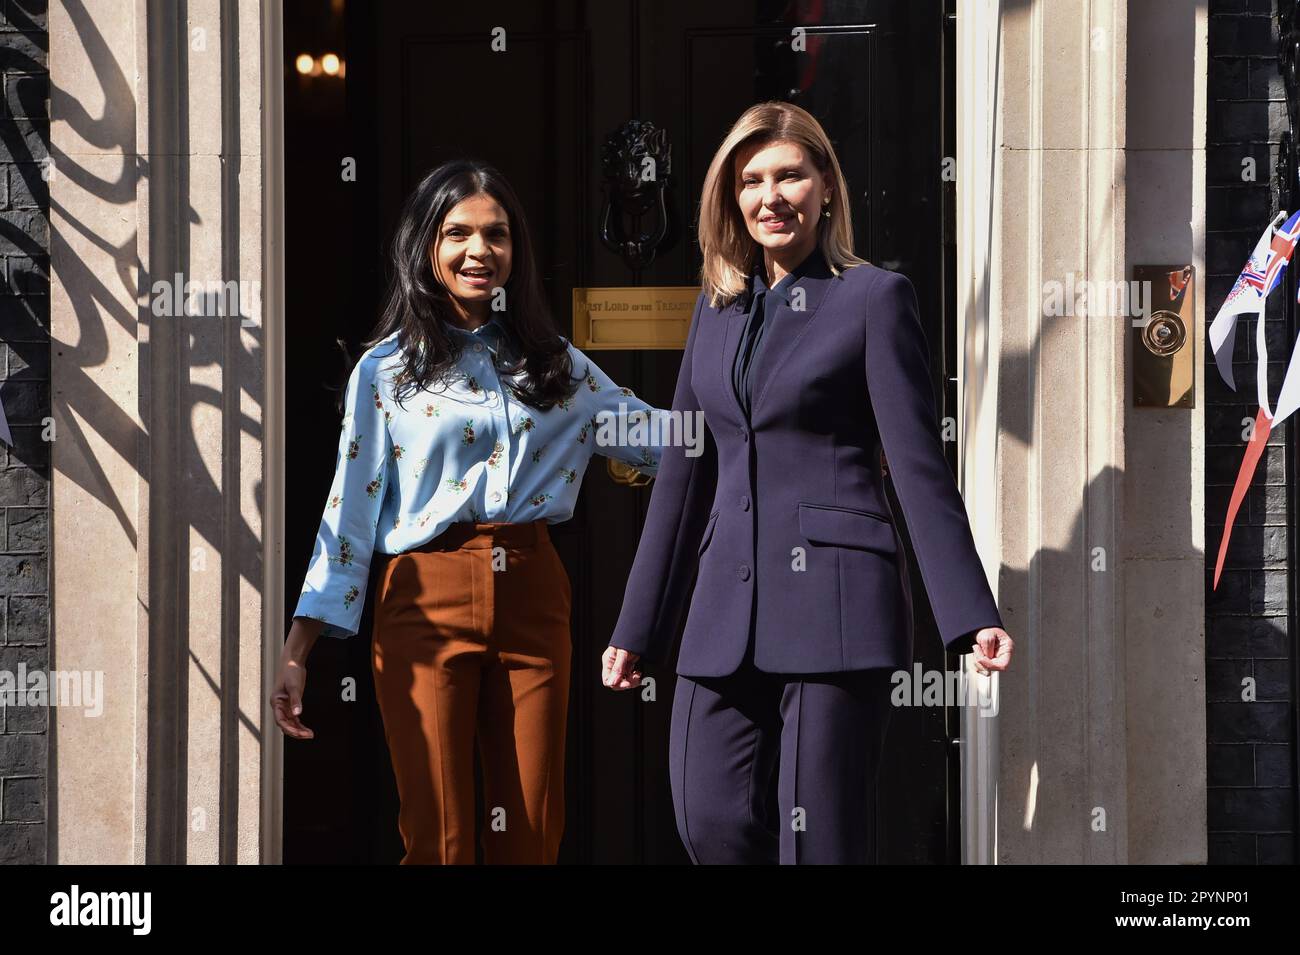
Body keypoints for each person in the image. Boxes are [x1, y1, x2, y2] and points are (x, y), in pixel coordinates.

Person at [601, 101, 1015, 864]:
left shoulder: (874, 299)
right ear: (730, 197)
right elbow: (683, 479)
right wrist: (638, 626)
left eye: (790, 174)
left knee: (820, 840)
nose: (771, 195)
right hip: (722, 609)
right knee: (709, 820)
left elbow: (920, 468)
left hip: (837, 603)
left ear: (825, 185)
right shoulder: (715, 308)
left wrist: (967, 613)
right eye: (751, 180)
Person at [272, 159, 667, 864]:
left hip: (533, 593)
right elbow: (350, 508)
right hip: (424, 597)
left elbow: (658, 440)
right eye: (458, 232)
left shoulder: (557, 366)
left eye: (497, 234)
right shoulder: (385, 371)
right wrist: (299, 649)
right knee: (440, 837)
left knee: (532, 831)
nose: (479, 250)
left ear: (517, 253)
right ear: (425, 246)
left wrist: (785, 430)